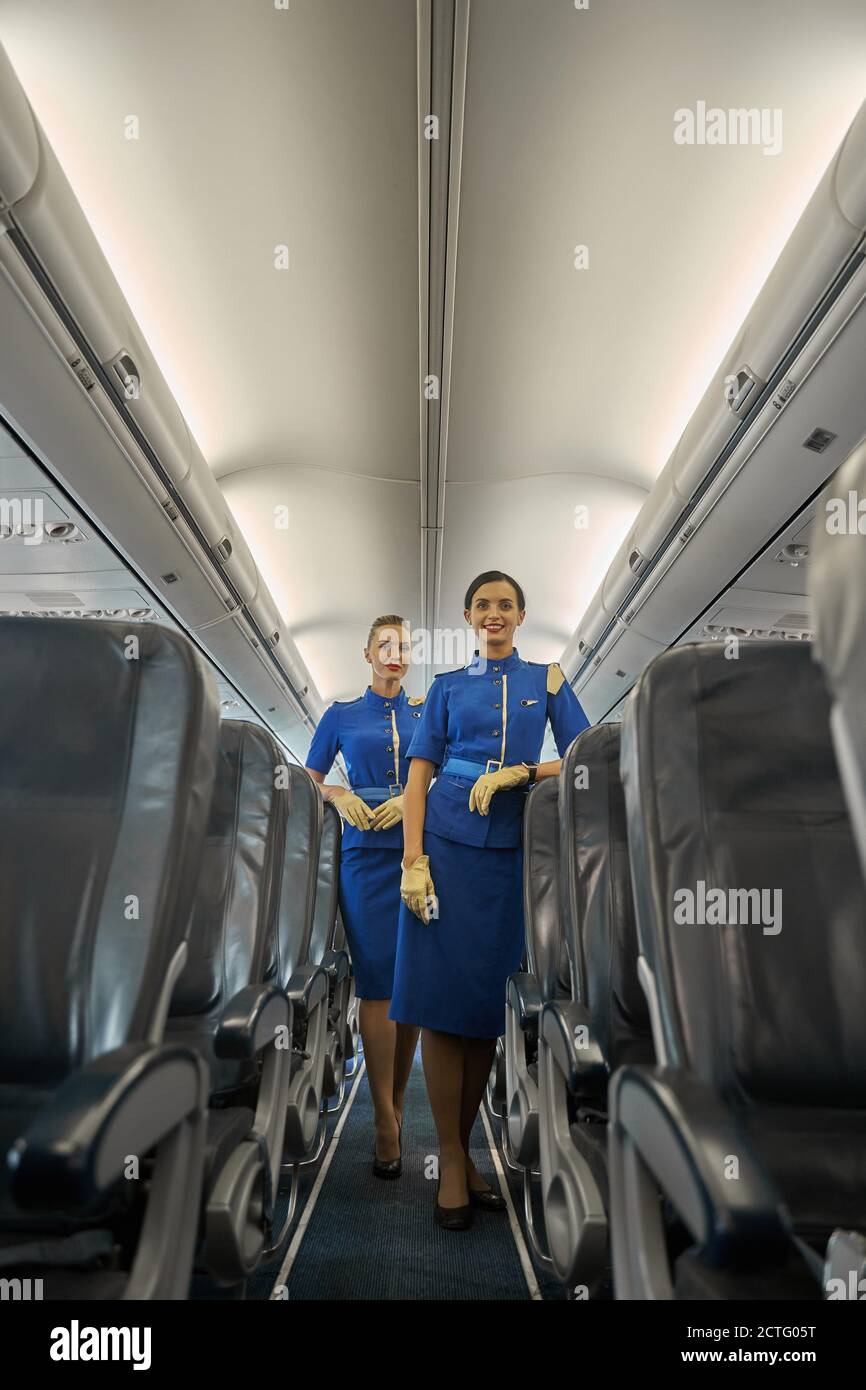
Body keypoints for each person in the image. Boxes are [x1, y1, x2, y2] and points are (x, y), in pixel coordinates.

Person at [389, 572, 590, 1228]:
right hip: (445, 851)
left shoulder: (548, 680)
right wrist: (413, 861)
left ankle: (464, 1151)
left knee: (482, 1014)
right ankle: (450, 1158)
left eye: (506, 604)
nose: (495, 613)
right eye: (484, 605)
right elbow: (418, 777)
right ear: (470, 617)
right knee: (443, 1008)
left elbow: (587, 753)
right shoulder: (446, 689)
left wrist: (527, 771)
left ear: (522, 614)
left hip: (511, 856)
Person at [305, 615, 422, 1177]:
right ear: (367, 653)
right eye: (385, 645)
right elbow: (306, 776)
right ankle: (381, 1119)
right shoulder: (341, 715)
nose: (394, 654)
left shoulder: (427, 713)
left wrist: (412, 800)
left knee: (412, 982)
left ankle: (398, 1105)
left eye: (402, 647)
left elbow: (444, 774)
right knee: (377, 983)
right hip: (362, 856)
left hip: (419, 855)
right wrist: (335, 794)